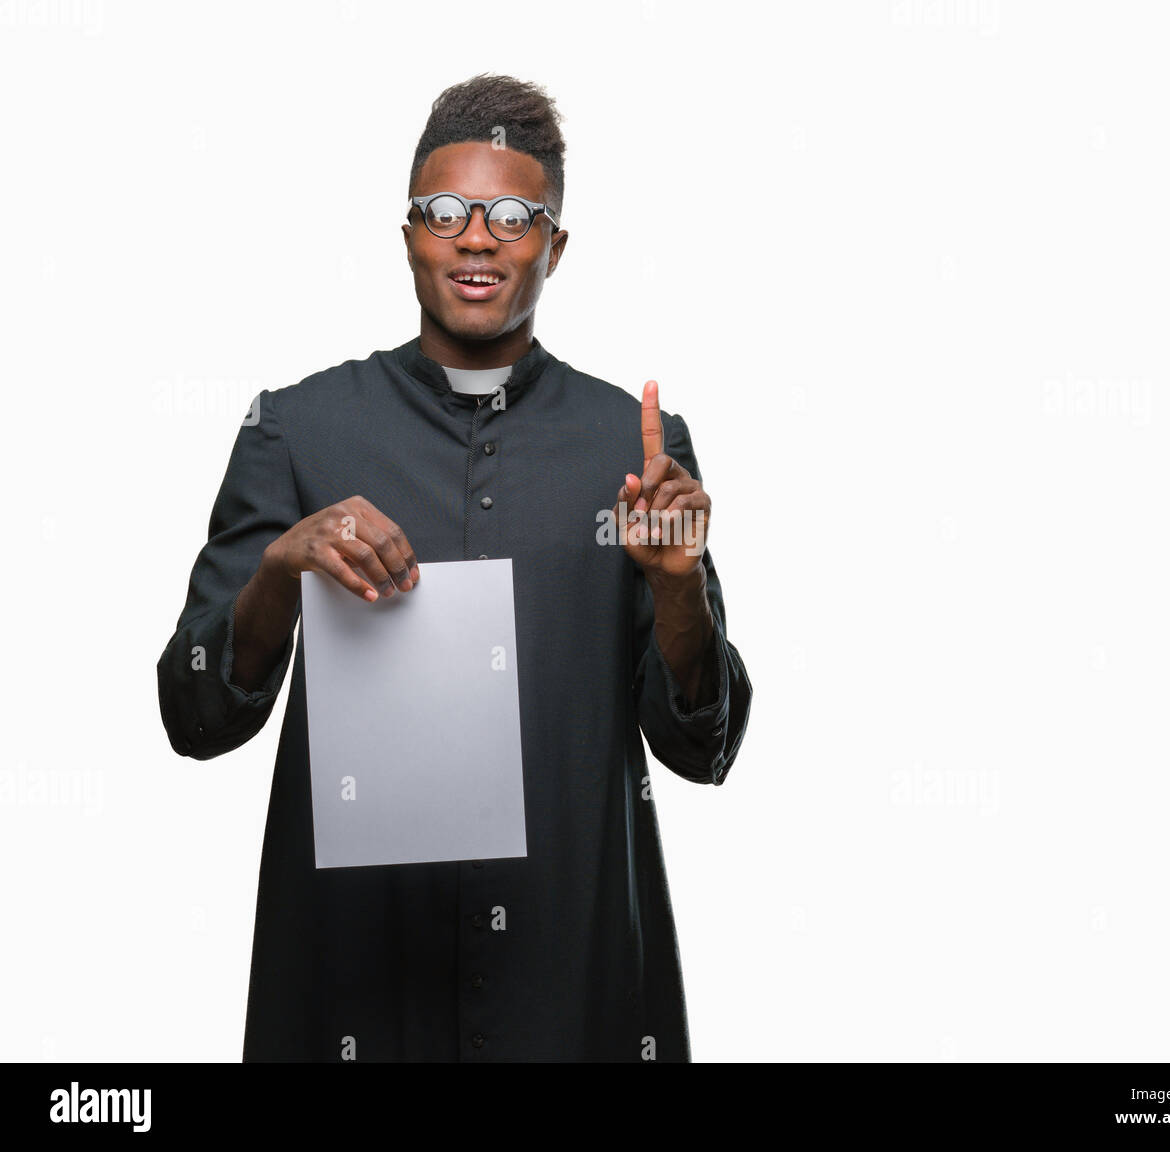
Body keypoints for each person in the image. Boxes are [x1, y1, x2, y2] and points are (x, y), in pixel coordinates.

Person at [156, 73, 752, 1062]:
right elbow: (196, 716)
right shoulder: (297, 428)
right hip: (352, 986)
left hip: (573, 989)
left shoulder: (636, 447)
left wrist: (677, 586)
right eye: (446, 211)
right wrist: (277, 572)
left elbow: (703, 749)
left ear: (554, 245)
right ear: (407, 233)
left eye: (514, 216)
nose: (477, 237)